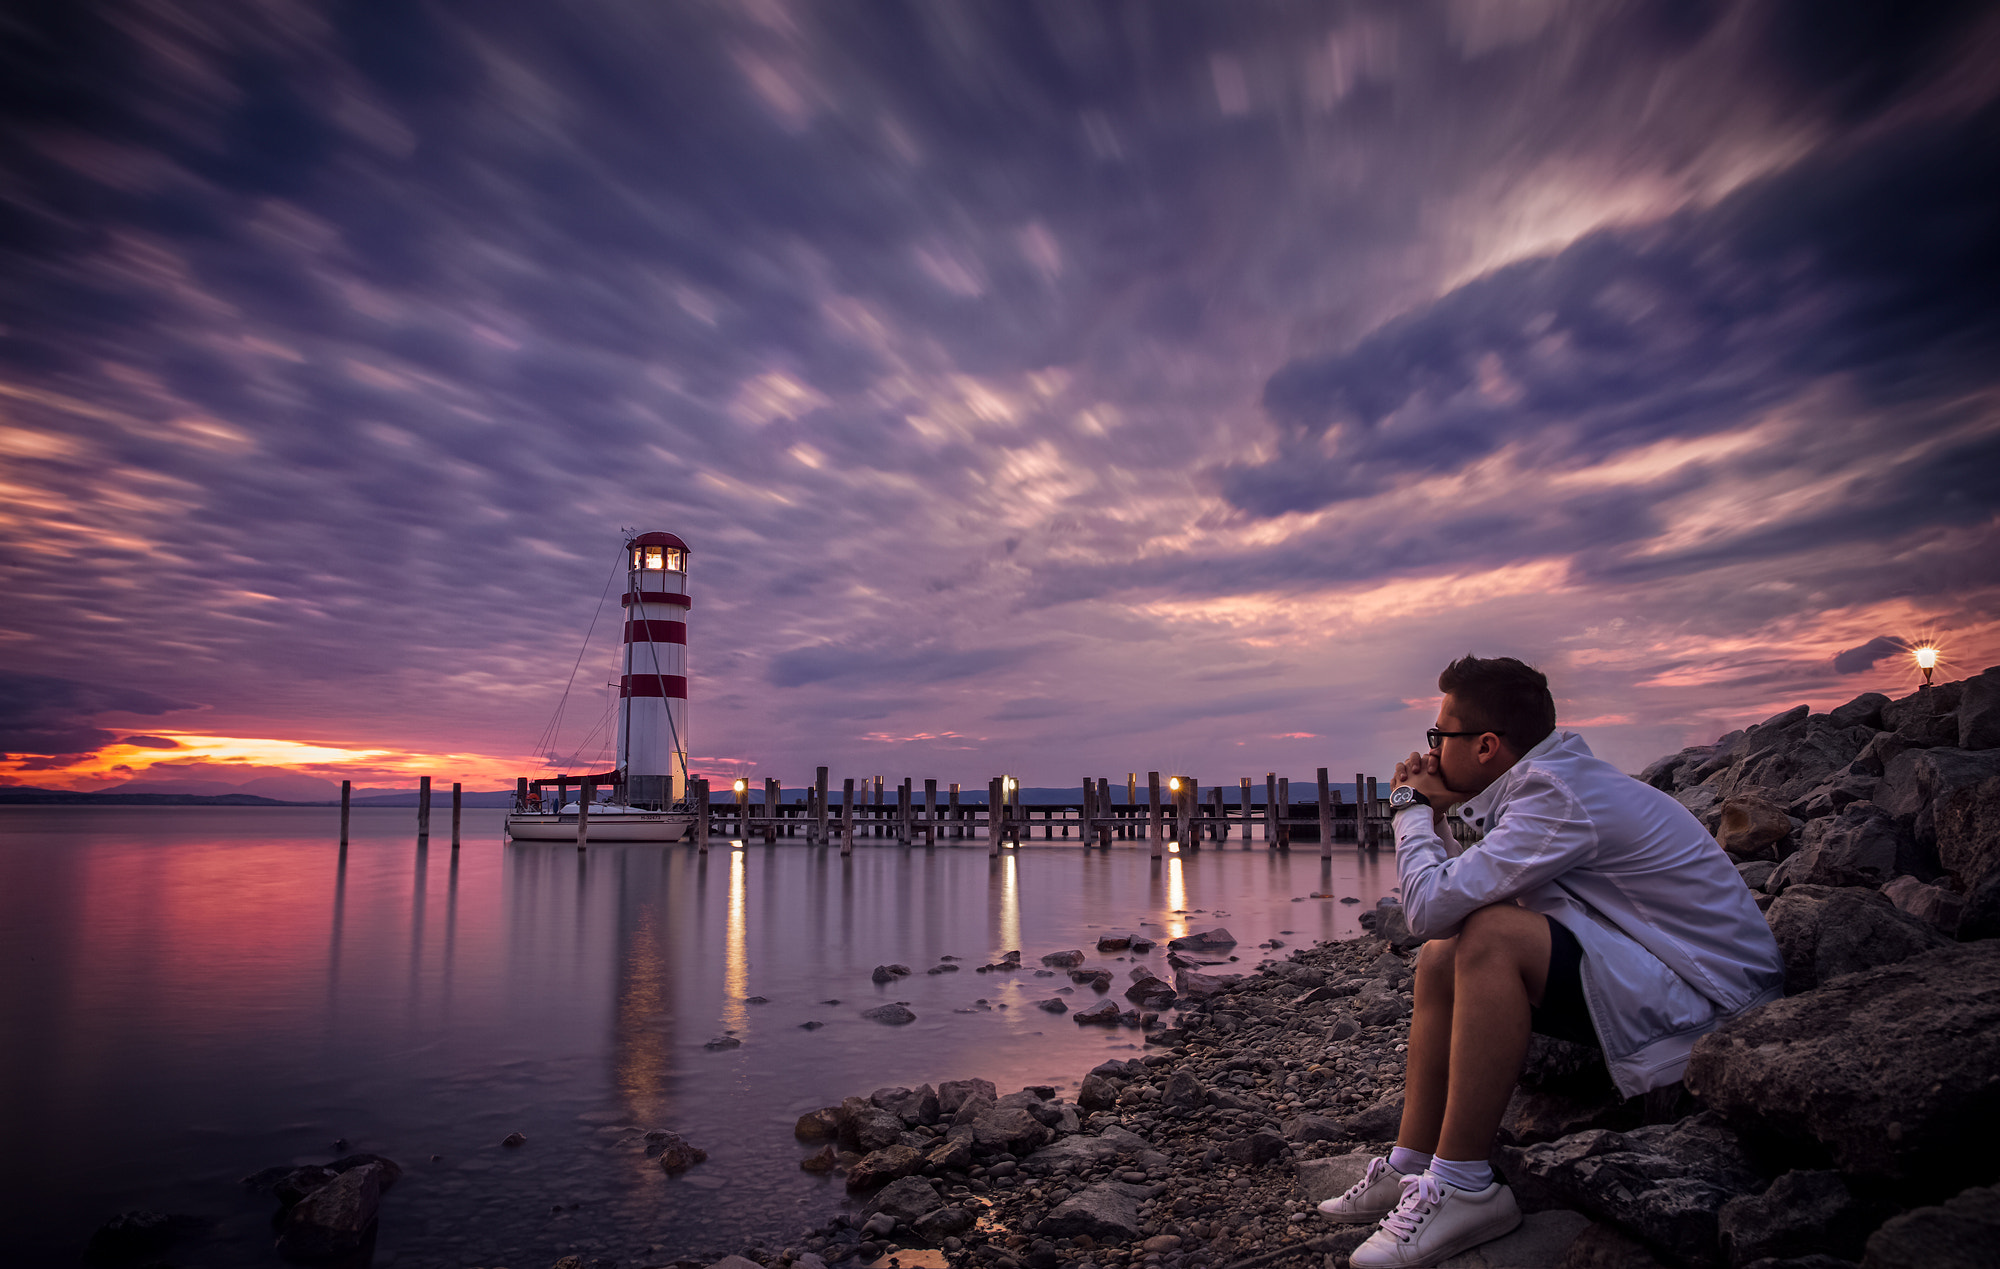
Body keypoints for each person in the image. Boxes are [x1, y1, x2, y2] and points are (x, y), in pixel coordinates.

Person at [1323, 655, 1784, 1268]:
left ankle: (1464, 1187)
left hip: (1719, 1001)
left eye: (1439, 735)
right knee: (1442, 955)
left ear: (1486, 745)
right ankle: (1413, 1164)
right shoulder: (1549, 785)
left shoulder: (1556, 795)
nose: (1428, 753)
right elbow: (1456, 902)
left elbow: (1430, 905)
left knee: (1488, 937)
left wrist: (1408, 807)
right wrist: (1433, 817)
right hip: (1657, 962)